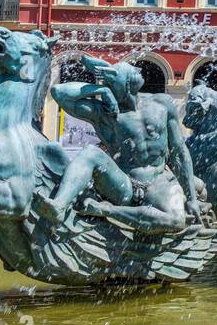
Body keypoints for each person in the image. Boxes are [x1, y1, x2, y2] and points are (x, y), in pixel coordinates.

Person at [36, 55, 201, 234]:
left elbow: (179, 151)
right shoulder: (106, 112)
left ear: (127, 84)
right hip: (124, 185)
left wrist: (191, 197)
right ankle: (58, 206)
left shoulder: (162, 104)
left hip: (159, 182)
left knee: (176, 221)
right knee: (91, 152)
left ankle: (105, 210)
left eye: (111, 84)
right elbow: (59, 92)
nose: (108, 89)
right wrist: (99, 90)